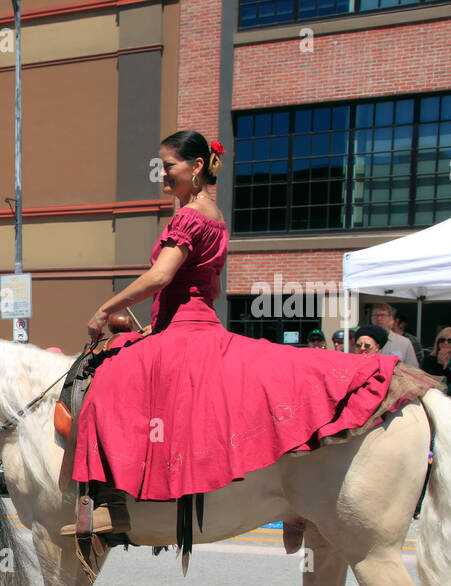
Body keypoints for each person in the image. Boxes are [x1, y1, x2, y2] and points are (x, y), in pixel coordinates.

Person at [74, 130, 404, 517]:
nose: (161, 175)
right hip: (191, 324)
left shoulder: (188, 217)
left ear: (197, 167)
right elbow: (205, 286)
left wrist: (104, 308)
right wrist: (157, 325)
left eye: (168, 167)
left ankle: (110, 500)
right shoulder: (215, 218)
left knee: (110, 380)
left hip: (185, 331)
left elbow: (160, 277)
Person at [368, 302, 418, 366]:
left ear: (391, 319)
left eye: (383, 315)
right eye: (376, 315)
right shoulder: (362, 342)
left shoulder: (404, 343)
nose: (379, 318)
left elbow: (413, 369)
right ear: (371, 319)